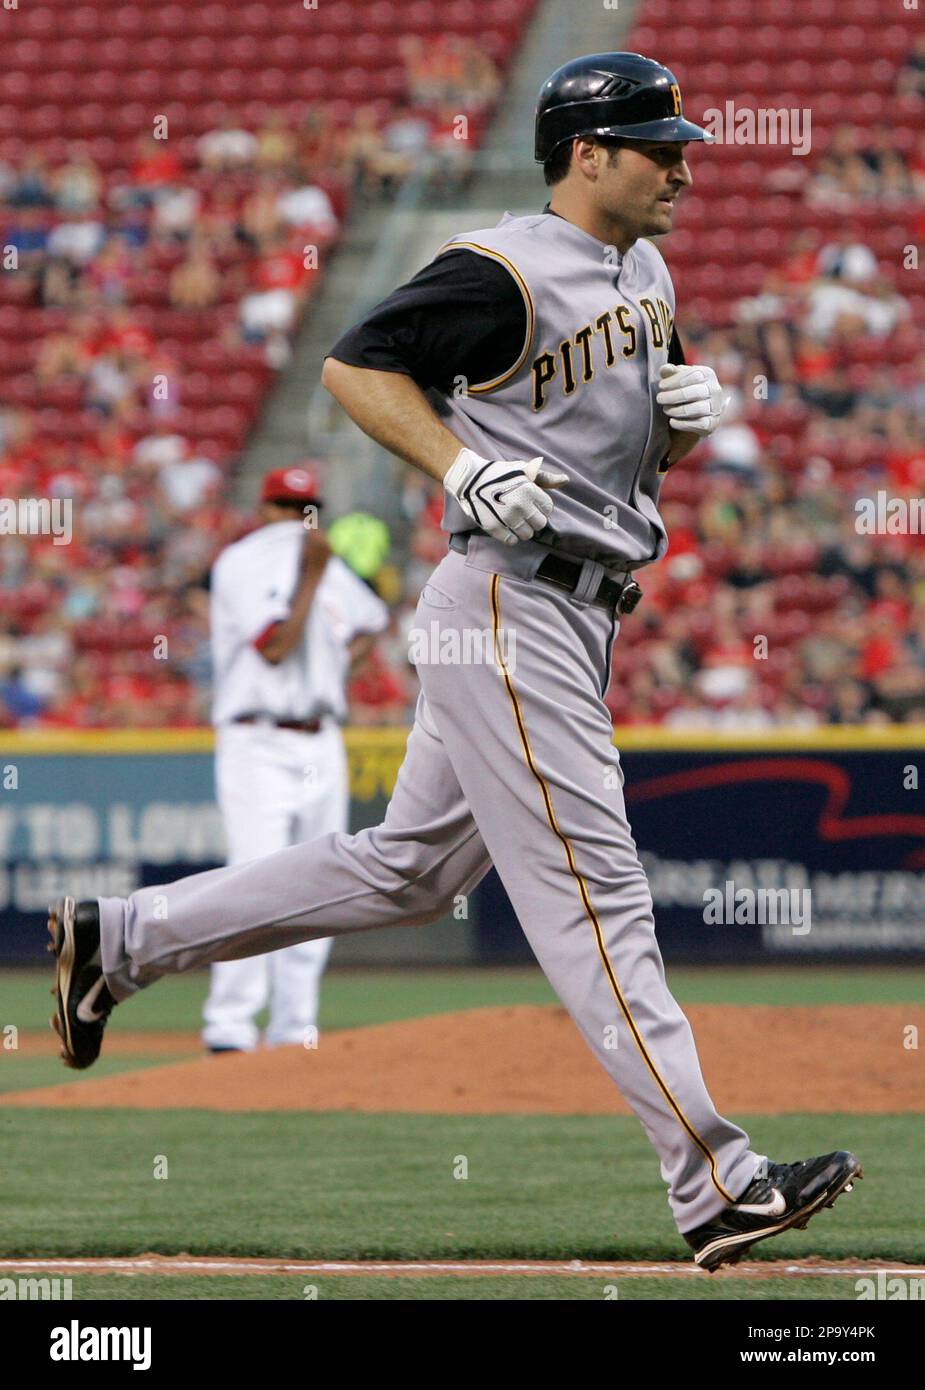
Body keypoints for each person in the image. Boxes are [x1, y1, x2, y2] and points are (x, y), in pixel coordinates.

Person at [48, 53, 860, 1273]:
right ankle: (718, 1180)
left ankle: (121, 938)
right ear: (586, 155)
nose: (683, 164)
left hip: (571, 606)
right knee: (598, 895)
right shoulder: (502, 266)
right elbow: (353, 363)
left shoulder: (644, 269)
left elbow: (604, 471)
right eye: (657, 145)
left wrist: (671, 438)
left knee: (406, 869)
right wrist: (455, 466)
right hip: (509, 603)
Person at [202, 465, 389, 1051]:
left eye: (302, 505)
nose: (294, 515)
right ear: (265, 508)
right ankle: (229, 1026)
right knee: (252, 879)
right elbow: (276, 647)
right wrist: (310, 573)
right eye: (286, 503)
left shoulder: (328, 564)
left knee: (318, 883)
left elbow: (374, 622)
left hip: (320, 736)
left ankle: (293, 1027)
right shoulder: (244, 561)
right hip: (257, 738)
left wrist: (335, 663)